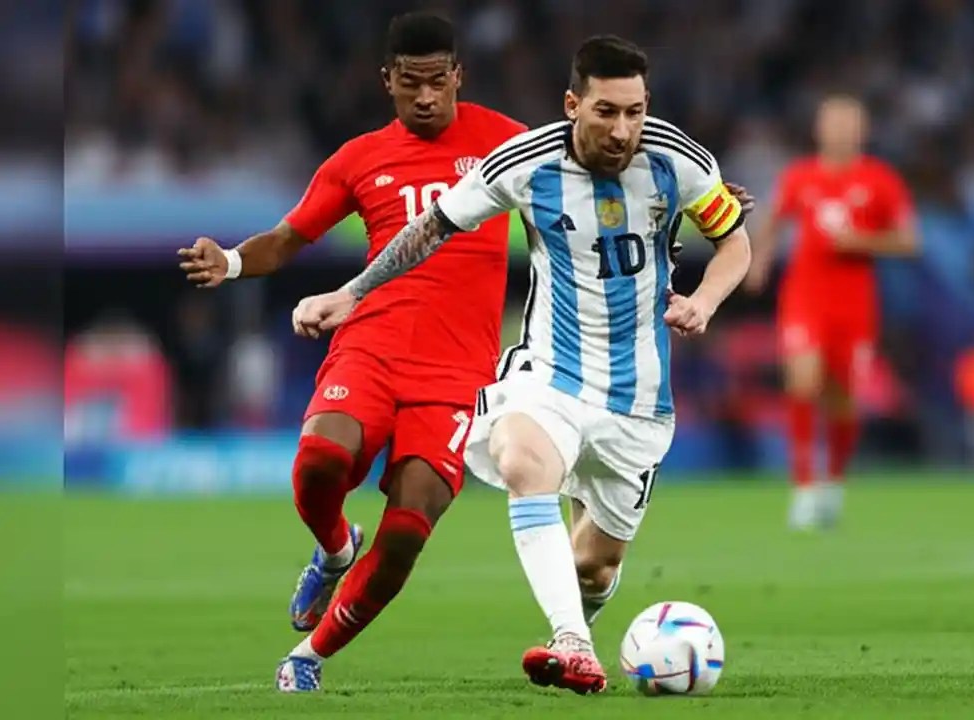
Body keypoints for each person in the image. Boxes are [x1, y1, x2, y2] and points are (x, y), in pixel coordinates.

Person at [292, 35, 753, 695]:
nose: (624, 130)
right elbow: (430, 228)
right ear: (572, 105)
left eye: (635, 111)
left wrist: (705, 299)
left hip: (638, 400)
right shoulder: (524, 161)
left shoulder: (677, 160)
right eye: (606, 112)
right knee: (520, 458)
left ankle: (581, 616)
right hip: (549, 374)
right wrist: (352, 291)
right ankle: (573, 643)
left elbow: (734, 239)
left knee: (593, 566)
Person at [176, 13, 527, 692]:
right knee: (319, 463)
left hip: (457, 370)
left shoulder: (507, 144)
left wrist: (696, 209)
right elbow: (289, 236)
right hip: (371, 342)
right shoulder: (359, 157)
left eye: (437, 81)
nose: (426, 97)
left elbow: (586, 180)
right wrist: (230, 260)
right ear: (386, 81)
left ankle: (308, 655)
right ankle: (336, 547)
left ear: (459, 75)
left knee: (408, 527)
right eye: (410, 83)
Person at [745, 94, 919, 531]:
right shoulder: (800, 176)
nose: (840, 130)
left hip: (855, 303)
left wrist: (860, 241)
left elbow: (909, 241)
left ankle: (834, 483)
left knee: (843, 399)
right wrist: (759, 259)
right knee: (803, 381)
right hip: (805, 296)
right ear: (818, 129)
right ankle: (804, 486)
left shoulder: (880, 180)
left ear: (863, 130)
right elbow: (772, 219)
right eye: (833, 122)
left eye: (849, 123)